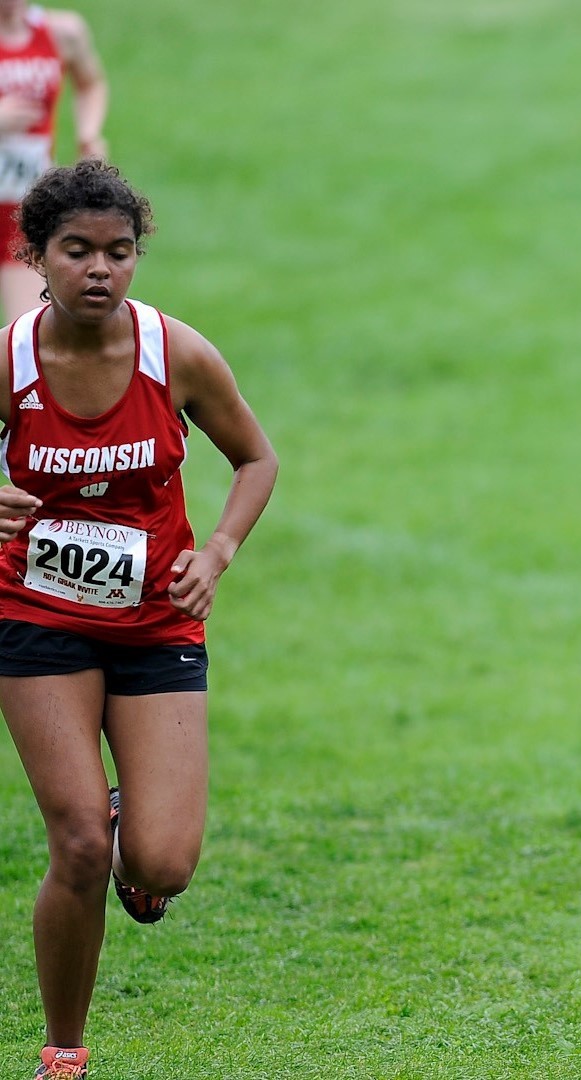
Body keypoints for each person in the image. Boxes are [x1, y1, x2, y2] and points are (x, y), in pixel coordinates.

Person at [0, 161, 276, 1079]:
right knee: (78, 843)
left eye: (119, 253)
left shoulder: (177, 355)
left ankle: (133, 823)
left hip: (157, 619)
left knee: (161, 865)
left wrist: (220, 552)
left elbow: (255, 460)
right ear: (36, 253)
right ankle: (64, 1050)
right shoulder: (8, 361)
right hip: (36, 615)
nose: (100, 271)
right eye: (77, 250)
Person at [0, 0, 108, 323]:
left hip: (24, 208)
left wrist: (88, 135)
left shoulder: (61, 32)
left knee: (30, 330)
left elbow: (90, 82)